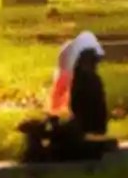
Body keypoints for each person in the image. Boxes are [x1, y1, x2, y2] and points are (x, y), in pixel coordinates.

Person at [20, 31, 114, 162]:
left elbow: (87, 119)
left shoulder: (86, 81)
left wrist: (56, 127)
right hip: (86, 132)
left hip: (87, 135)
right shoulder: (85, 79)